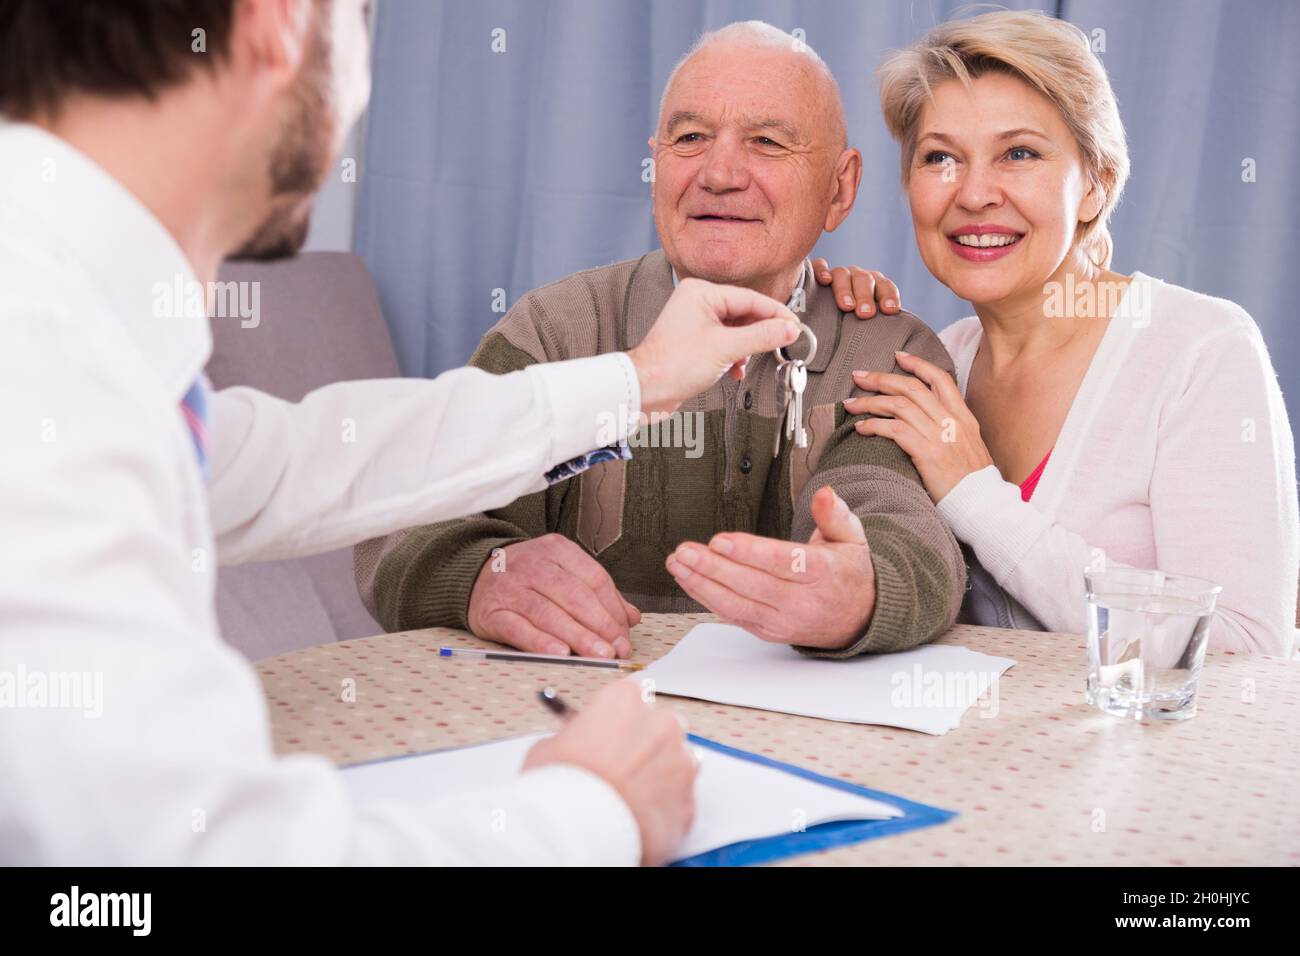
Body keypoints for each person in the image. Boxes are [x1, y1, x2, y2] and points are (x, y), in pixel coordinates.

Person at [0, 0, 814, 865]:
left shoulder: (66, 312)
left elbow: (292, 459)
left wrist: (636, 383)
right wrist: (592, 812)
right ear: (279, 23)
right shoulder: (44, 346)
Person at [356, 21, 966, 660]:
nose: (720, 172)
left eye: (766, 141)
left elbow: (906, 533)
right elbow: (410, 523)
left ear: (838, 189)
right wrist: (481, 575)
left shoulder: (887, 352)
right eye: (691, 137)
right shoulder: (552, 330)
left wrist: (867, 590)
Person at [837, 10, 1297, 655]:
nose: (972, 194)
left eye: (1018, 153)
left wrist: (976, 497)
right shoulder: (942, 359)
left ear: (1096, 184)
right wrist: (822, 308)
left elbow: (1242, 646)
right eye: (940, 157)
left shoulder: (1202, 349)